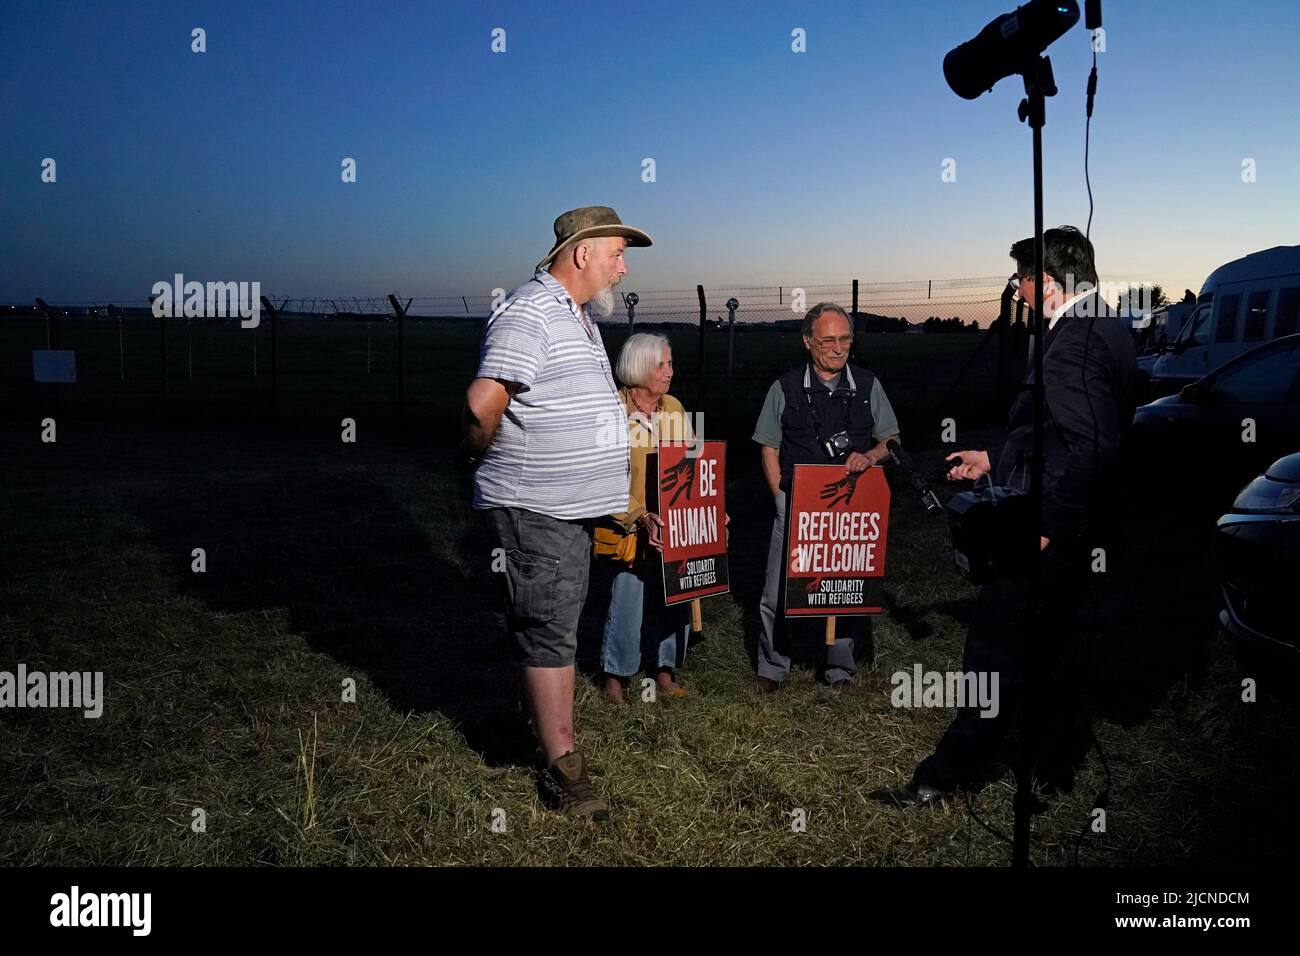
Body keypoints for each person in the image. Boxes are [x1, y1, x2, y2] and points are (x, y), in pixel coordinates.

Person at [872, 226, 1139, 808]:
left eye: (1021, 280)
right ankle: (1050, 766)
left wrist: (1046, 525)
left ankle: (952, 771)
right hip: (1075, 527)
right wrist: (994, 457)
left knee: (993, 649)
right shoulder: (1106, 326)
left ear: (1044, 281)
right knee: (1053, 647)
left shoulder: (1076, 340)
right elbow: (1058, 435)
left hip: (1049, 526)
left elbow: (1091, 448)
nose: (1017, 293)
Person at [461, 206, 652, 820]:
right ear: (581, 252)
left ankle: (549, 735)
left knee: (554, 620)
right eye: (617, 253)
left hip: (564, 509)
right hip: (534, 504)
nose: (623, 267)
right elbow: (480, 405)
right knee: (550, 627)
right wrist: (479, 462)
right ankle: (563, 769)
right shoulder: (532, 310)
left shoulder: (578, 317)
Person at [749, 302, 901, 693]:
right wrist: (779, 497)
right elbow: (767, 445)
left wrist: (869, 456)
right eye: (828, 340)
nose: (838, 348)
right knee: (777, 588)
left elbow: (891, 440)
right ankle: (772, 667)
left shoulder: (868, 384)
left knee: (845, 588)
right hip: (797, 504)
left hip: (850, 509)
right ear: (807, 342)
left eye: (845, 338)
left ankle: (840, 670)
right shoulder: (784, 387)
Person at [594, 333, 694, 704]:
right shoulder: (612, 410)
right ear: (639, 367)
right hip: (629, 528)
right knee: (628, 597)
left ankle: (664, 671)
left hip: (673, 524)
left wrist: (711, 510)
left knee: (676, 593)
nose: (670, 371)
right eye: (662, 364)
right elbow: (603, 477)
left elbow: (692, 466)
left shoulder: (675, 408)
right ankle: (616, 678)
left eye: (670, 363)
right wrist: (640, 516)